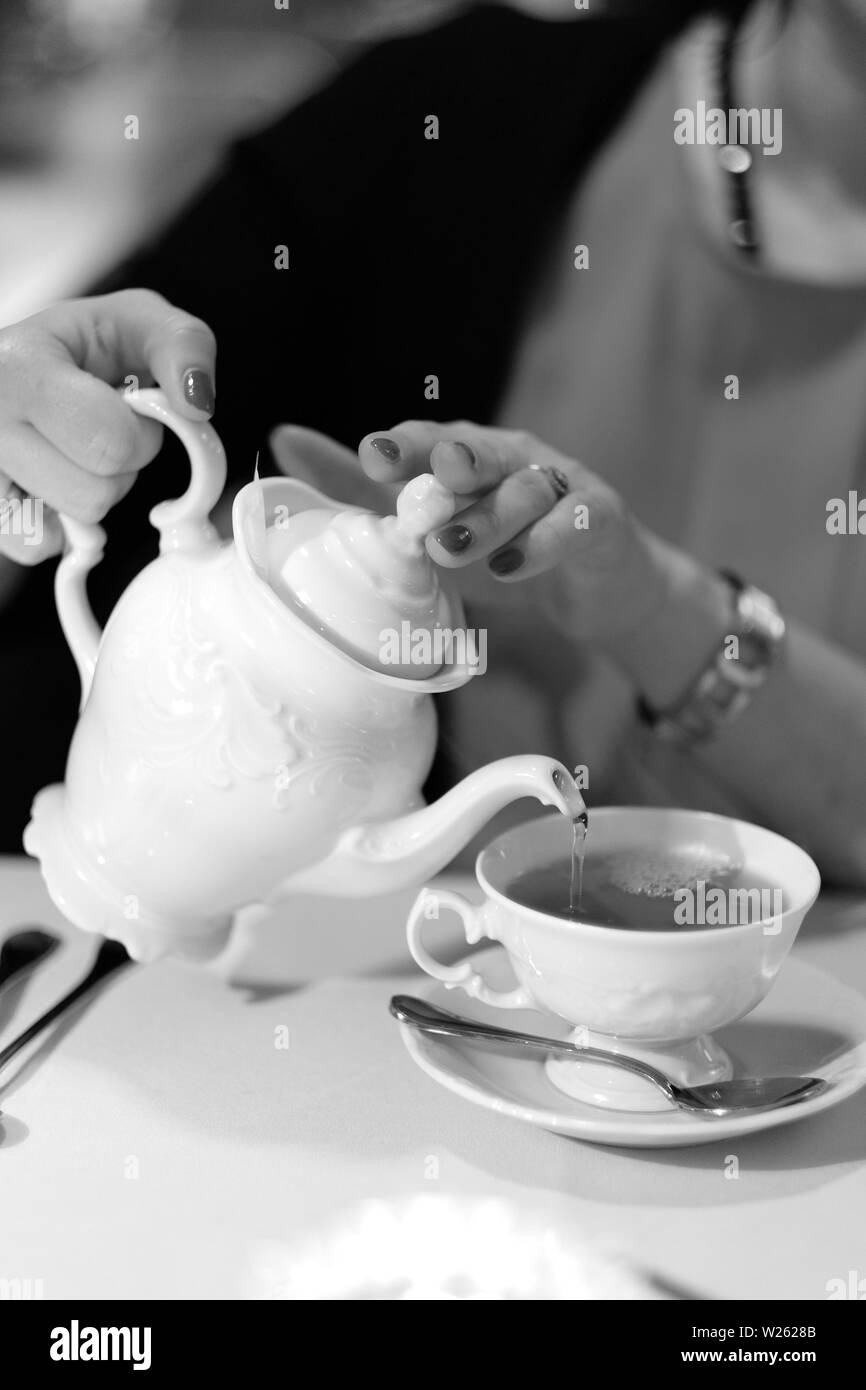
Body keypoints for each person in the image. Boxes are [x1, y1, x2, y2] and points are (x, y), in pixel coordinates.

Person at [1, 0, 865, 884]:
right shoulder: (454, 116)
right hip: (312, 975)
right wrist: (39, 443)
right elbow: (85, 411)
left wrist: (654, 609)